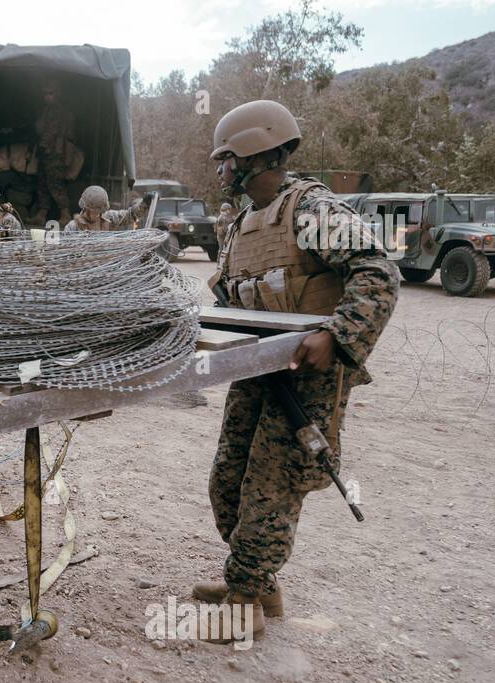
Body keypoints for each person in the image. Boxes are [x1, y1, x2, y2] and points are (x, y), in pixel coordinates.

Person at [197, 99, 399, 644]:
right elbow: (234, 295)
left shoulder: (311, 210)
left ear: (254, 155)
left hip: (308, 376)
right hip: (257, 367)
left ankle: (245, 602)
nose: (221, 169)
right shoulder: (242, 222)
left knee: (272, 486)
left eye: (226, 158)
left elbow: (378, 274)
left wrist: (337, 335)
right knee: (228, 480)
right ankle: (259, 584)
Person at [32, 77, 75, 226]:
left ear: (57, 94)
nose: (47, 96)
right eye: (45, 93)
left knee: (55, 183)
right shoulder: (46, 109)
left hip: (55, 152)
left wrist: (43, 144)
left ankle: (65, 213)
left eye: (50, 93)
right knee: (43, 182)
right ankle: (41, 214)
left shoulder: (58, 110)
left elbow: (52, 131)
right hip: (46, 151)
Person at [63, 185, 129, 233]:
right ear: (86, 210)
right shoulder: (73, 227)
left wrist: (135, 210)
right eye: (95, 213)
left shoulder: (108, 217)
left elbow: (127, 215)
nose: (98, 215)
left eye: (100, 213)